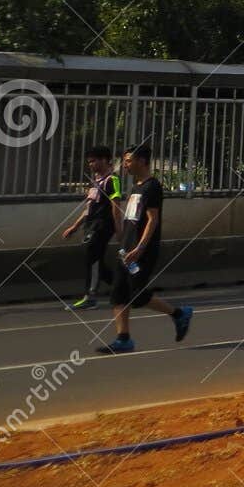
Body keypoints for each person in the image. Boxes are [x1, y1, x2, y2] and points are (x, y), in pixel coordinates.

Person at [97, 146, 193, 354]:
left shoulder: (152, 187)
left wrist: (140, 247)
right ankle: (123, 339)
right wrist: (123, 240)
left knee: (137, 295)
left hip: (142, 252)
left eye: (129, 161)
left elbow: (152, 220)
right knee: (118, 292)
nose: (125, 165)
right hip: (127, 250)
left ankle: (179, 314)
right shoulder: (136, 187)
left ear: (142, 161)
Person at [59, 143, 121, 310]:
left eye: (93, 161)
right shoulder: (95, 183)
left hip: (103, 225)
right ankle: (123, 286)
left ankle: (90, 296)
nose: (90, 164)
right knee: (95, 260)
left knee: (92, 255)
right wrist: (75, 226)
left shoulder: (112, 180)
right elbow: (88, 208)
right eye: (89, 161)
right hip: (91, 225)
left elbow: (116, 205)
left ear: (104, 160)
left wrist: (118, 229)